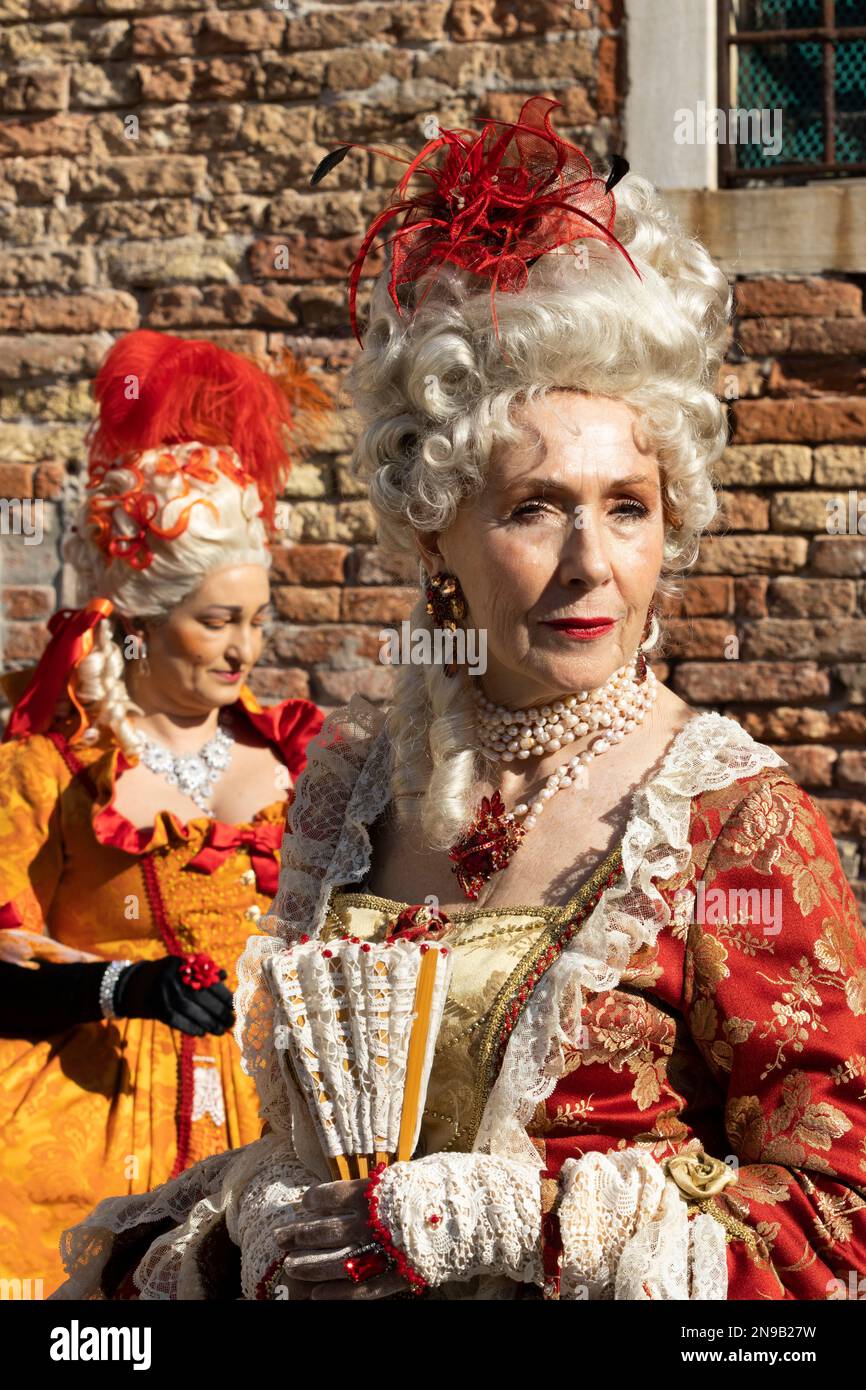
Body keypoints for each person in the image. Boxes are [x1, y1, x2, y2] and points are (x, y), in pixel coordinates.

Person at [54, 100, 866, 1302]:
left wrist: (513, 1226)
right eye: (535, 505)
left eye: (627, 505)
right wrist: (253, 1230)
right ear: (440, 534)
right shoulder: (349, 796)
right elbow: (310, 1160)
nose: (591, 559)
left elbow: (837, 1234)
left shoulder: (727, 823)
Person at [0, 330, 328, 1294]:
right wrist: (119, 989)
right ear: (140, 623)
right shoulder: (49, 766)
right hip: (91, 1123)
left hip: (268, 1132)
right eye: (216, 621)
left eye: (257, 618)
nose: (243, 649)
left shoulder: (295, 756)